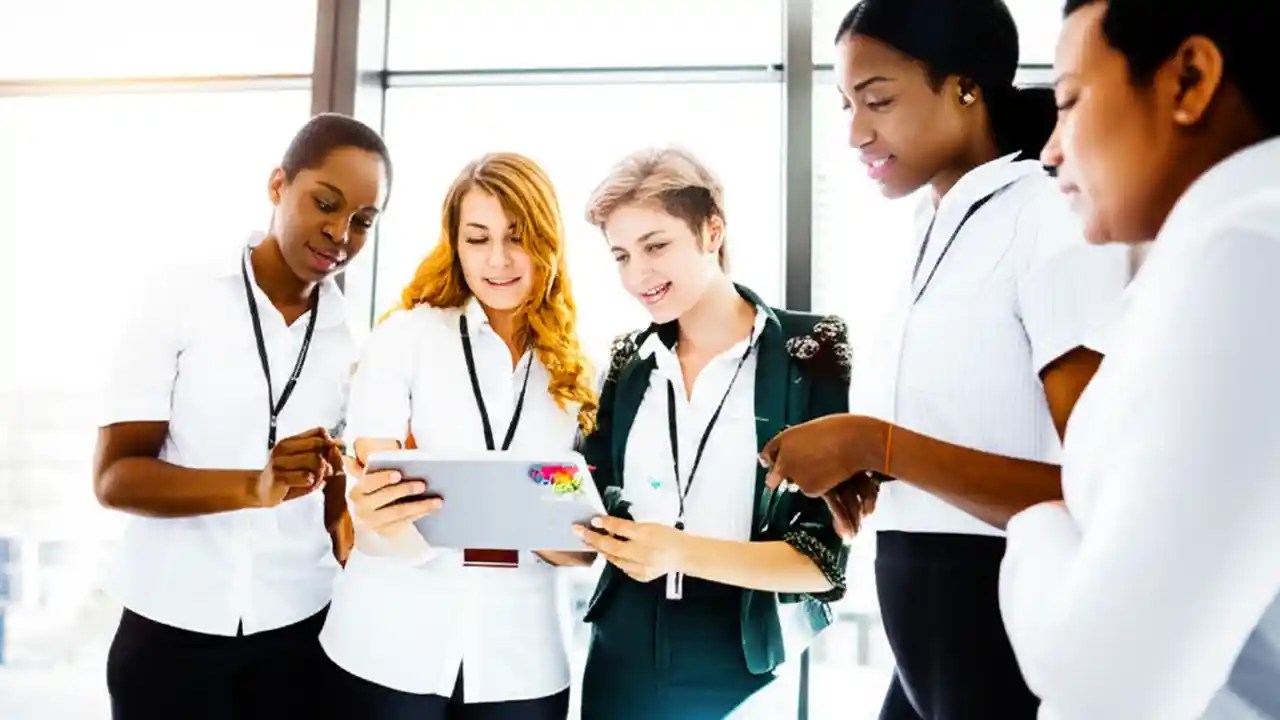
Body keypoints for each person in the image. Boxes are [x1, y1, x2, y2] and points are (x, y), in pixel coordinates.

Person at [759, 1, 1131, 718]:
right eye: (846, 104)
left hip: (999, 632)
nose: (855, 132)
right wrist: (876, 461)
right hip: (929, 639)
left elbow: (1100, 491)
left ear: (965, 87)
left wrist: (878, 442)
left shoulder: (1044, 215)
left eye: (879, 101)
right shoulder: (939, 224)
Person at [999, 1, 1280, 717]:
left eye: (1068, 101)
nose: (1051, 149)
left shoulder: (1246, 258)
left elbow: (1102, 678)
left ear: (1188, 78)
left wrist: (1038, 524)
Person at [93, 112, 392, 720]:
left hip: (300, 632)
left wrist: (346, 514)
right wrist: (252, 487)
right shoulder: (179, 297)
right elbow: (115, 477)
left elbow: (333, 486)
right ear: (278, 185)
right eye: (325, 204)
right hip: (168, 631)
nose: (340, 233)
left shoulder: (353, 341)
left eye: (363, 222)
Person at [572, 147, 850, 720]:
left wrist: (679, 551)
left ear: (711, 231)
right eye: (621, 255)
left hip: (742, 657)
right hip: (620, 648)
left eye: (656, 246)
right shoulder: (628, 358)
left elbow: (824, 559)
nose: (636, 276)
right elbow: (588, 490)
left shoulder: (813, 348)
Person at [319, 153, 596, 720]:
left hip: (524, 656)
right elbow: (378, 488)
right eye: (478, 238)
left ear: (549, 241)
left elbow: (580, 543)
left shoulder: (574, 371)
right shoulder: (408, 336)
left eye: (518, 237)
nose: (498, 260)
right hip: (392, 640)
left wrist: (548, 527)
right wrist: (526, 514)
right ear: (455, 244)